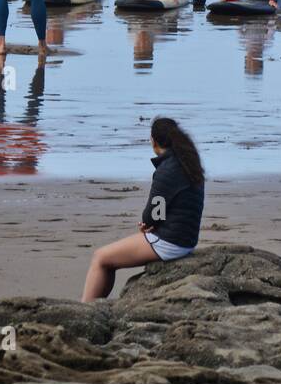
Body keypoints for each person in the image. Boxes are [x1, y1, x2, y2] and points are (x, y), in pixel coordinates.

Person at [82, 117, 205, 301]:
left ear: (154, 142)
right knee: (108, 261)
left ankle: (85, 308)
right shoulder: (189, 162)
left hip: (170, 243)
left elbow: (153, 213)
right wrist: (152, 222)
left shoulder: (167, 171)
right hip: (186, 239)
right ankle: (96, 305)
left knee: (100, 258)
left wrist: (146, 224)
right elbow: (163, 210)